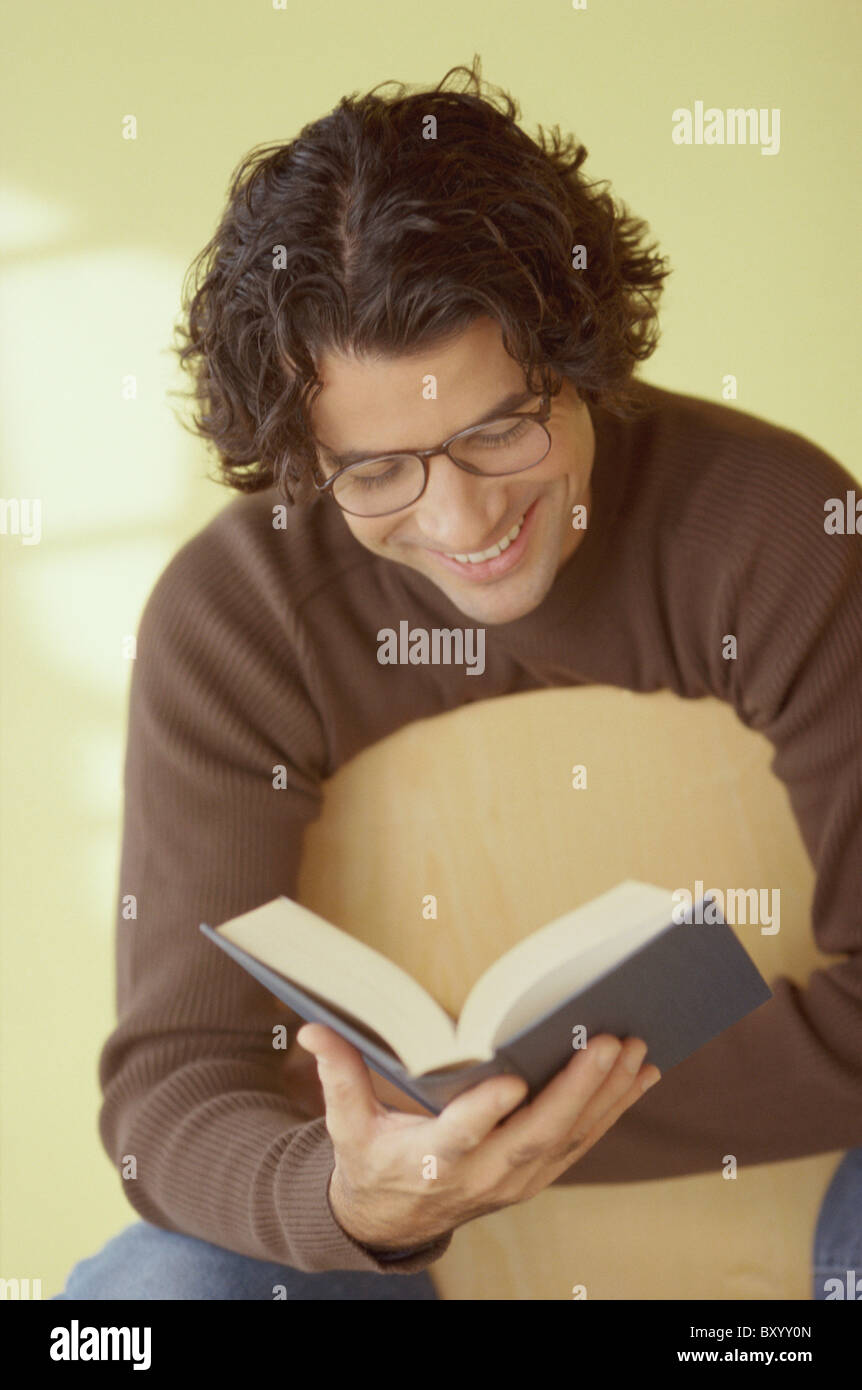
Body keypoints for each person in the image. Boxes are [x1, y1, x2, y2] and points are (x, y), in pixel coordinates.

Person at [54, 57, 862, 1301]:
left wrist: (513, 1126)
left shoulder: (778, 534)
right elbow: (169, 1095)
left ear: (580, 357)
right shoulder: (239, 615)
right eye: (375, 473)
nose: (464, 515)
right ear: (299, 460)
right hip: (401, 1244)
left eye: (499, 428)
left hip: (815, 1201)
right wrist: (356, 1193)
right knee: (140, 1305)